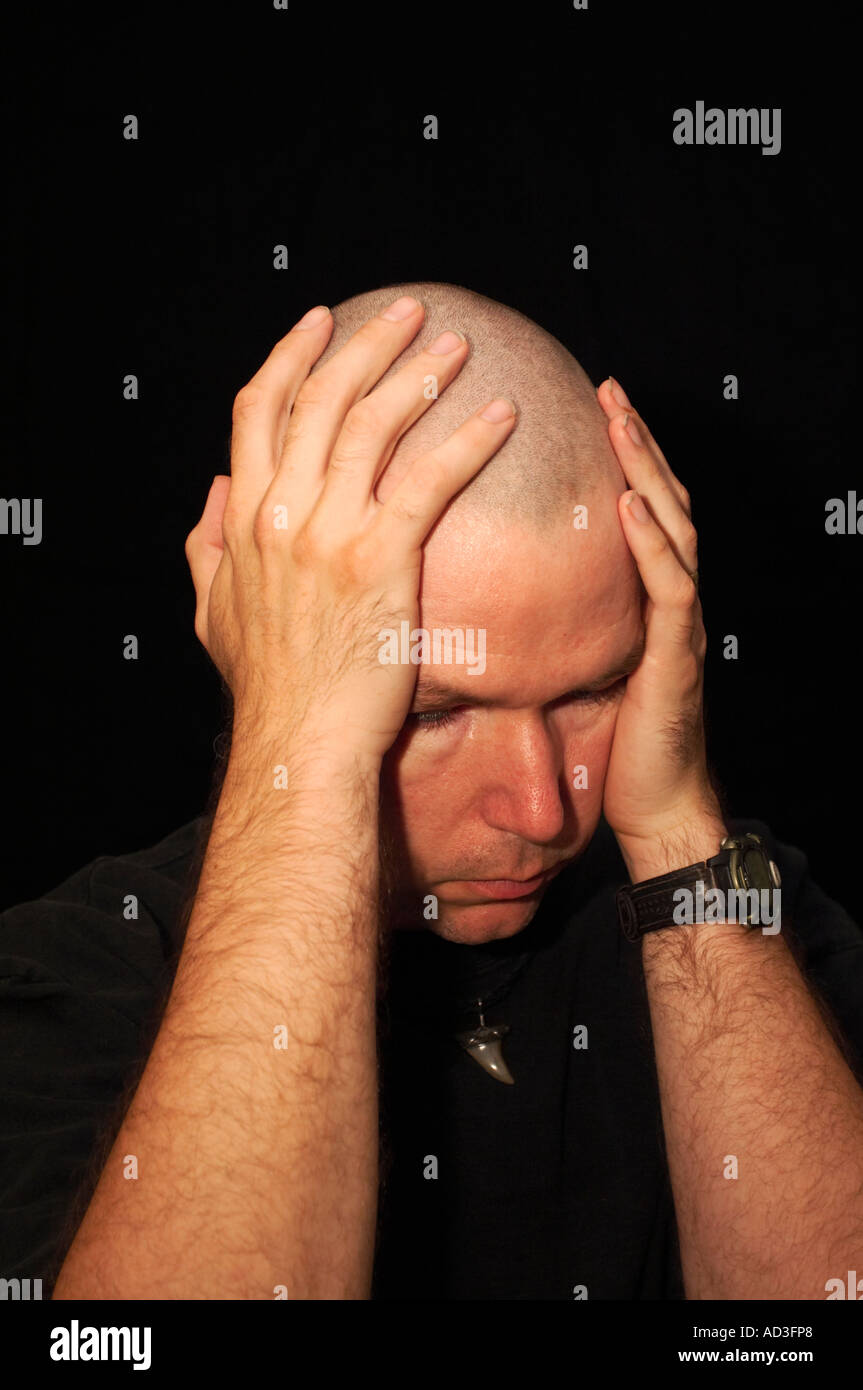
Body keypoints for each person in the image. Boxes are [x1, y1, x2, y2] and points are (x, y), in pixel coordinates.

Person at [2, 282, 862, 1302]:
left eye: (593, 690)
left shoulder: (753, 920)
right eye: (432, 715)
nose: (542, 811)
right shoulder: (70, 974)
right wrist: (297, 748)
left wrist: (677, 833)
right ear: (267, 654)